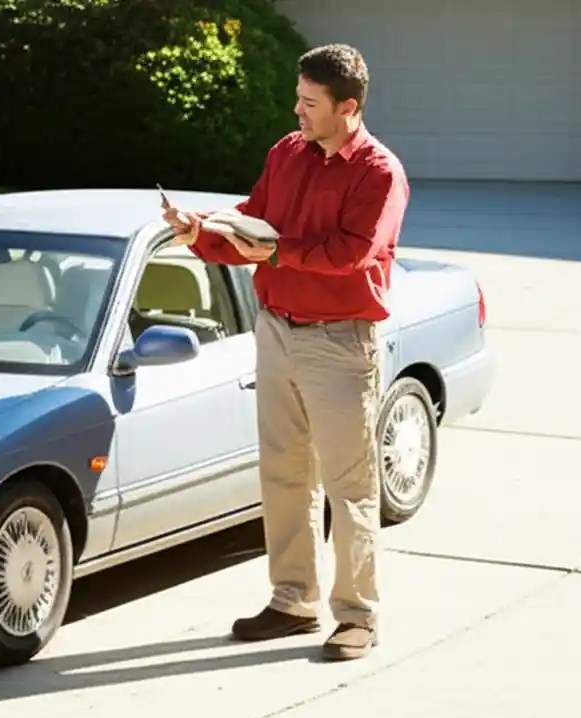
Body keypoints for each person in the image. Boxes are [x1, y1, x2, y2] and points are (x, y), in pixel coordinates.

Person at [164, 43, 409, 662]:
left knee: (348, 485)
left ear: (347, 108)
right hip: (274, 329)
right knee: (282, 470)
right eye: (297, 98)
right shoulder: (287, 152)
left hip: (339, 340)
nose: (296, 111)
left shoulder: (379, 173)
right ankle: (292, 600)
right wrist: (202, 232)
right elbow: (254, 220)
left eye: (309, 102)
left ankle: (357, 615)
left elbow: (349, 252)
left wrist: (272, 252)